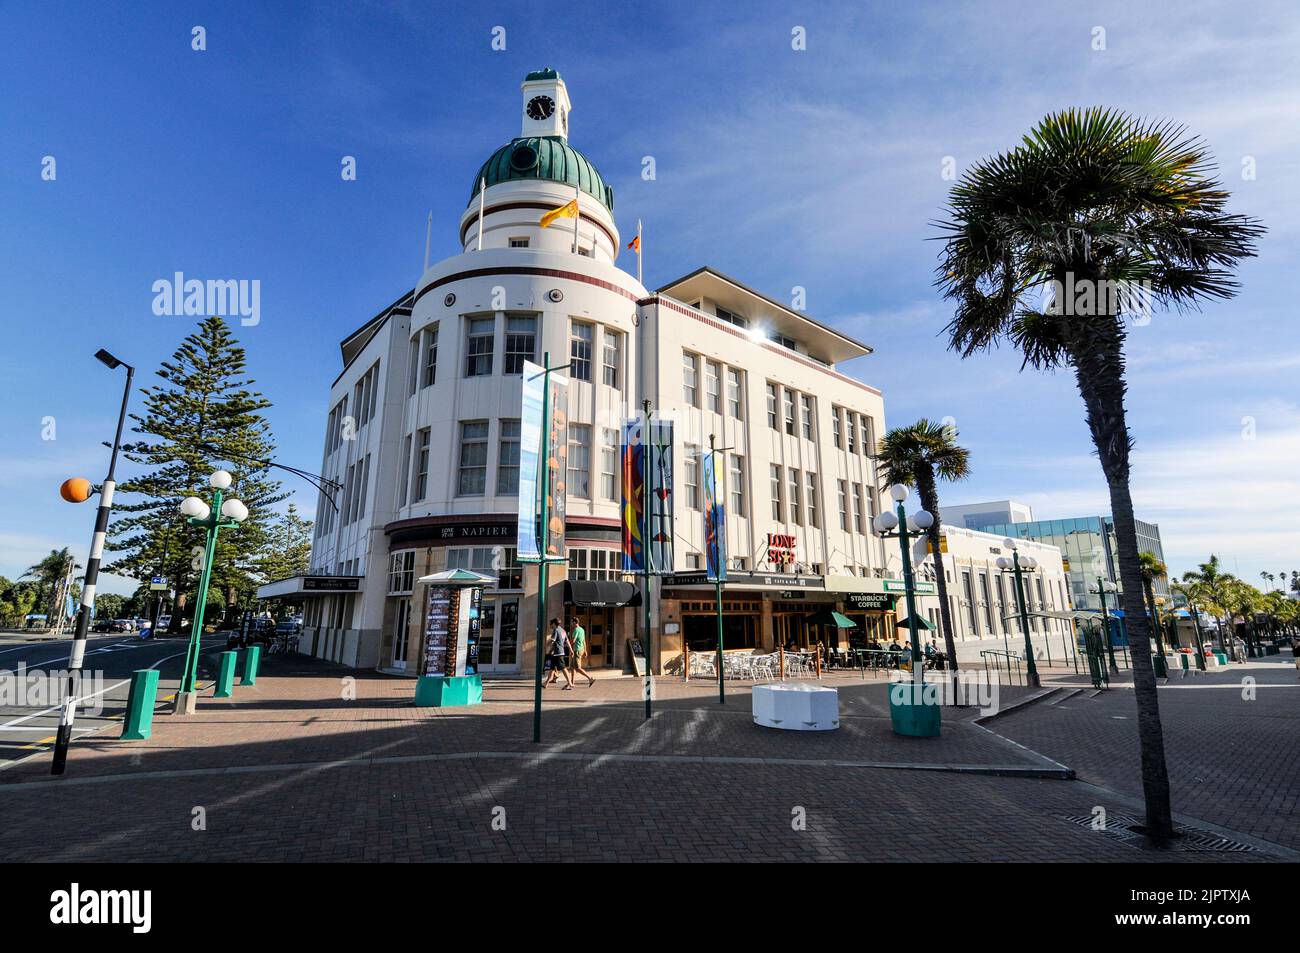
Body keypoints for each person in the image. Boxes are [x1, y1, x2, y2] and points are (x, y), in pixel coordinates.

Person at [544, 618, 574, 689]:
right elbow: (567, 642)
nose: (550, 625)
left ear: (554, 624)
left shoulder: (556, 630)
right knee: (552, 668)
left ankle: (570, 683)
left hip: (558, 653)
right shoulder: (563, 631)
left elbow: (552, 641)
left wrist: (543, 645)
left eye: (550, 624)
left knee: (563, 668)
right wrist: (571, 650)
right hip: (559, 652)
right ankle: (546, 683)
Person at [569, 615, 594, 687]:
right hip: (580, 649)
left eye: (571, 622)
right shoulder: (582, 629)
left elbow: (573, 640)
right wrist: (585, 650)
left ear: (574, 622)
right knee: (572, 667)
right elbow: (584, 641)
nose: (571, 624)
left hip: (577, 650)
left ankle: (590, 679)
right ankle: (572, 683)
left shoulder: (576, 630)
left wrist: (568, 644)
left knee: (577, 668)